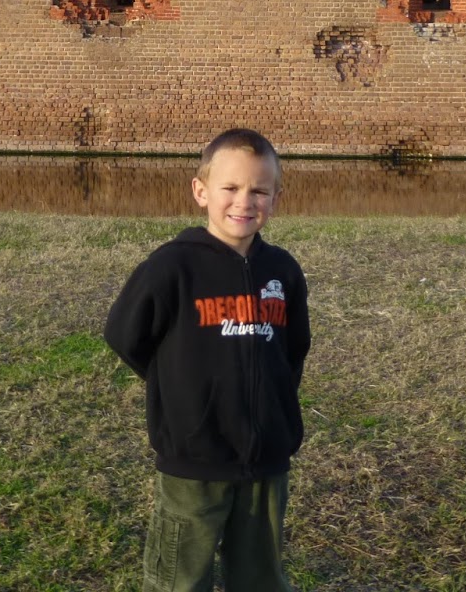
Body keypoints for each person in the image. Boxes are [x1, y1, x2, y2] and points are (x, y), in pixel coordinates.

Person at [104, 128, 311, 592]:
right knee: (180, 578)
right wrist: (179, 386)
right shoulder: (173, 266)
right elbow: (125, 335)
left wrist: (272, 407)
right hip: (193, 462)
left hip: (266, 462)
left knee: (260, 577)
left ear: (276, 198)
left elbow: (292, 349)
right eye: (230, 188)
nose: (244, 201)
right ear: (201, 191)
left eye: (259, 190)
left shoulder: (283, 271)